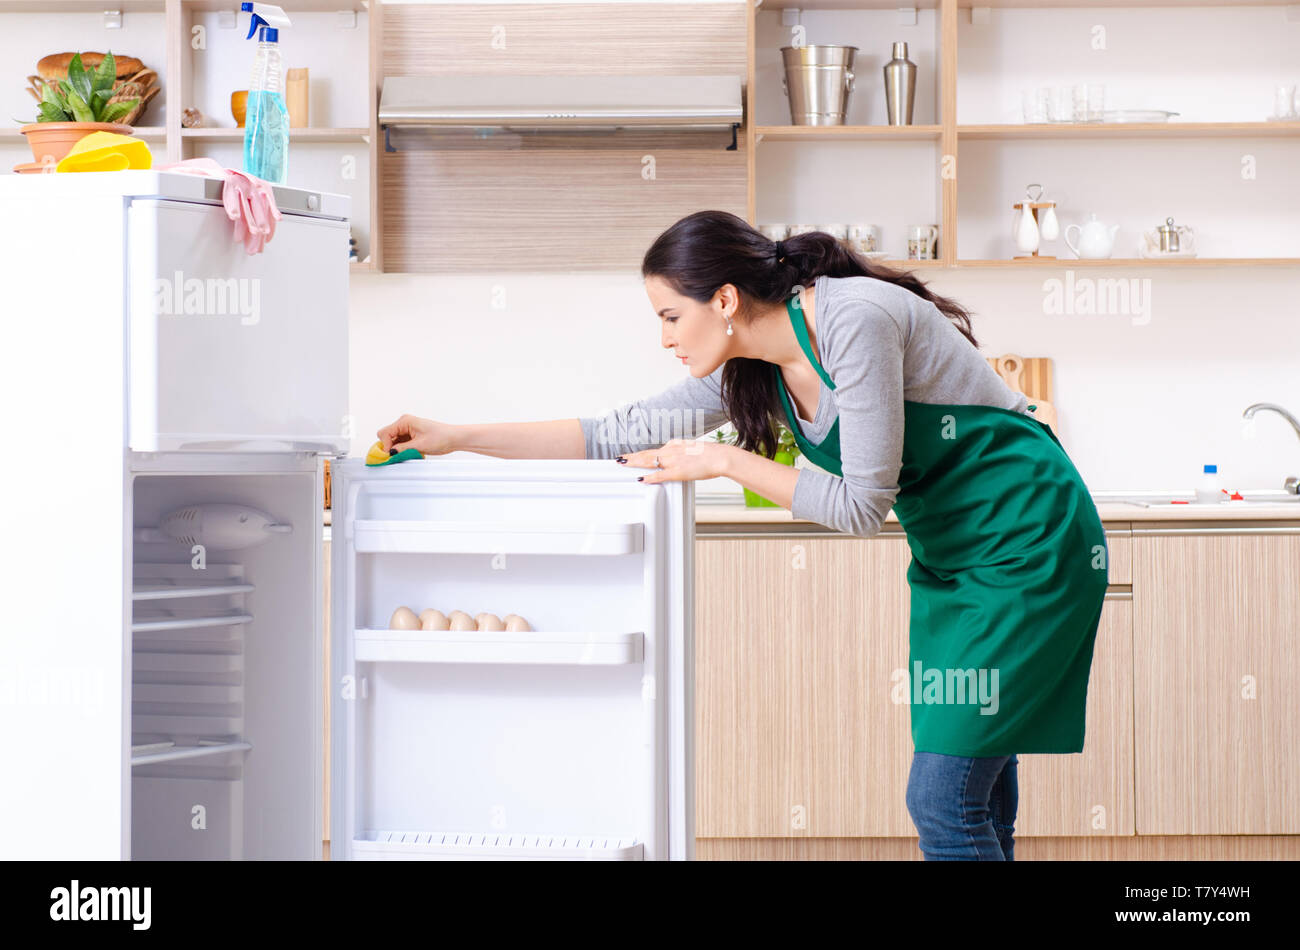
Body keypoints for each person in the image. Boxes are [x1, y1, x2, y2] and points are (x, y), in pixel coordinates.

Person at [377, 209, 1110, 861]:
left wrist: (725, 460)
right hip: (953, 560)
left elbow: (861, 506)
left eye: (669, 315)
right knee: (977, 799)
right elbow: (615, 433)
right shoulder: (750, 369)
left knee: (942, 803)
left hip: (1030, 542)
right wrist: (459, 435)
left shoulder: (853, 322)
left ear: (724, 300)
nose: (663, 337)